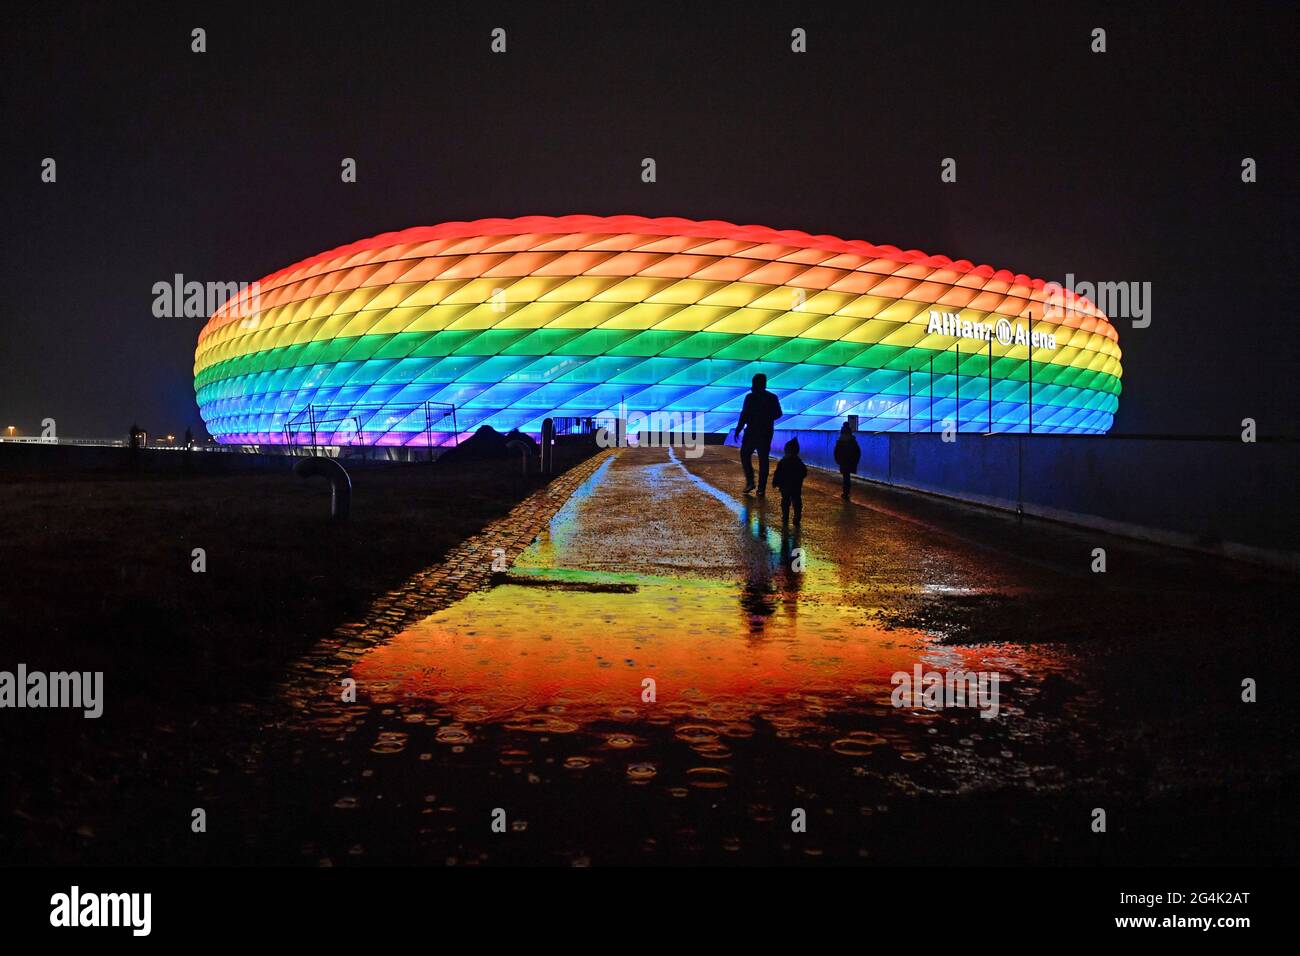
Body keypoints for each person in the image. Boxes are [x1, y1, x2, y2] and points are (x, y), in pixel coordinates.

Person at [733, 373, 783, 495]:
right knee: (763, 459)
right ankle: (761, 488)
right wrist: (767, 417)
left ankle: (750, 482)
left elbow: (744, 414)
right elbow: (778, 414)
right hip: (765, 432)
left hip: (751, 431)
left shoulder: (750, 397)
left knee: (745, 454)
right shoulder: (772, 397)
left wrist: (739, 428)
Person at [772, 437, 807, 526]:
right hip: (796, 486)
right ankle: (797, 516)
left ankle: (785, 516)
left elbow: (778, 473)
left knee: (785, 501)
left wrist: (775, 482)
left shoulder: (783, 462)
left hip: (785, 486)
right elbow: (804, 472)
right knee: (797, 501)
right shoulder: (799, 463)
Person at [833, 421, 861, 499]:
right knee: (847, 477)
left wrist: (838, 459)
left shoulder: (841, 441)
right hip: (850, 460)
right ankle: (847, 492)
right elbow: (857, 451)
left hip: (843, 460)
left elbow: (836, 451)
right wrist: (856, 460)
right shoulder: (852, 441)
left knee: (845, 476)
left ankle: (846, 492)